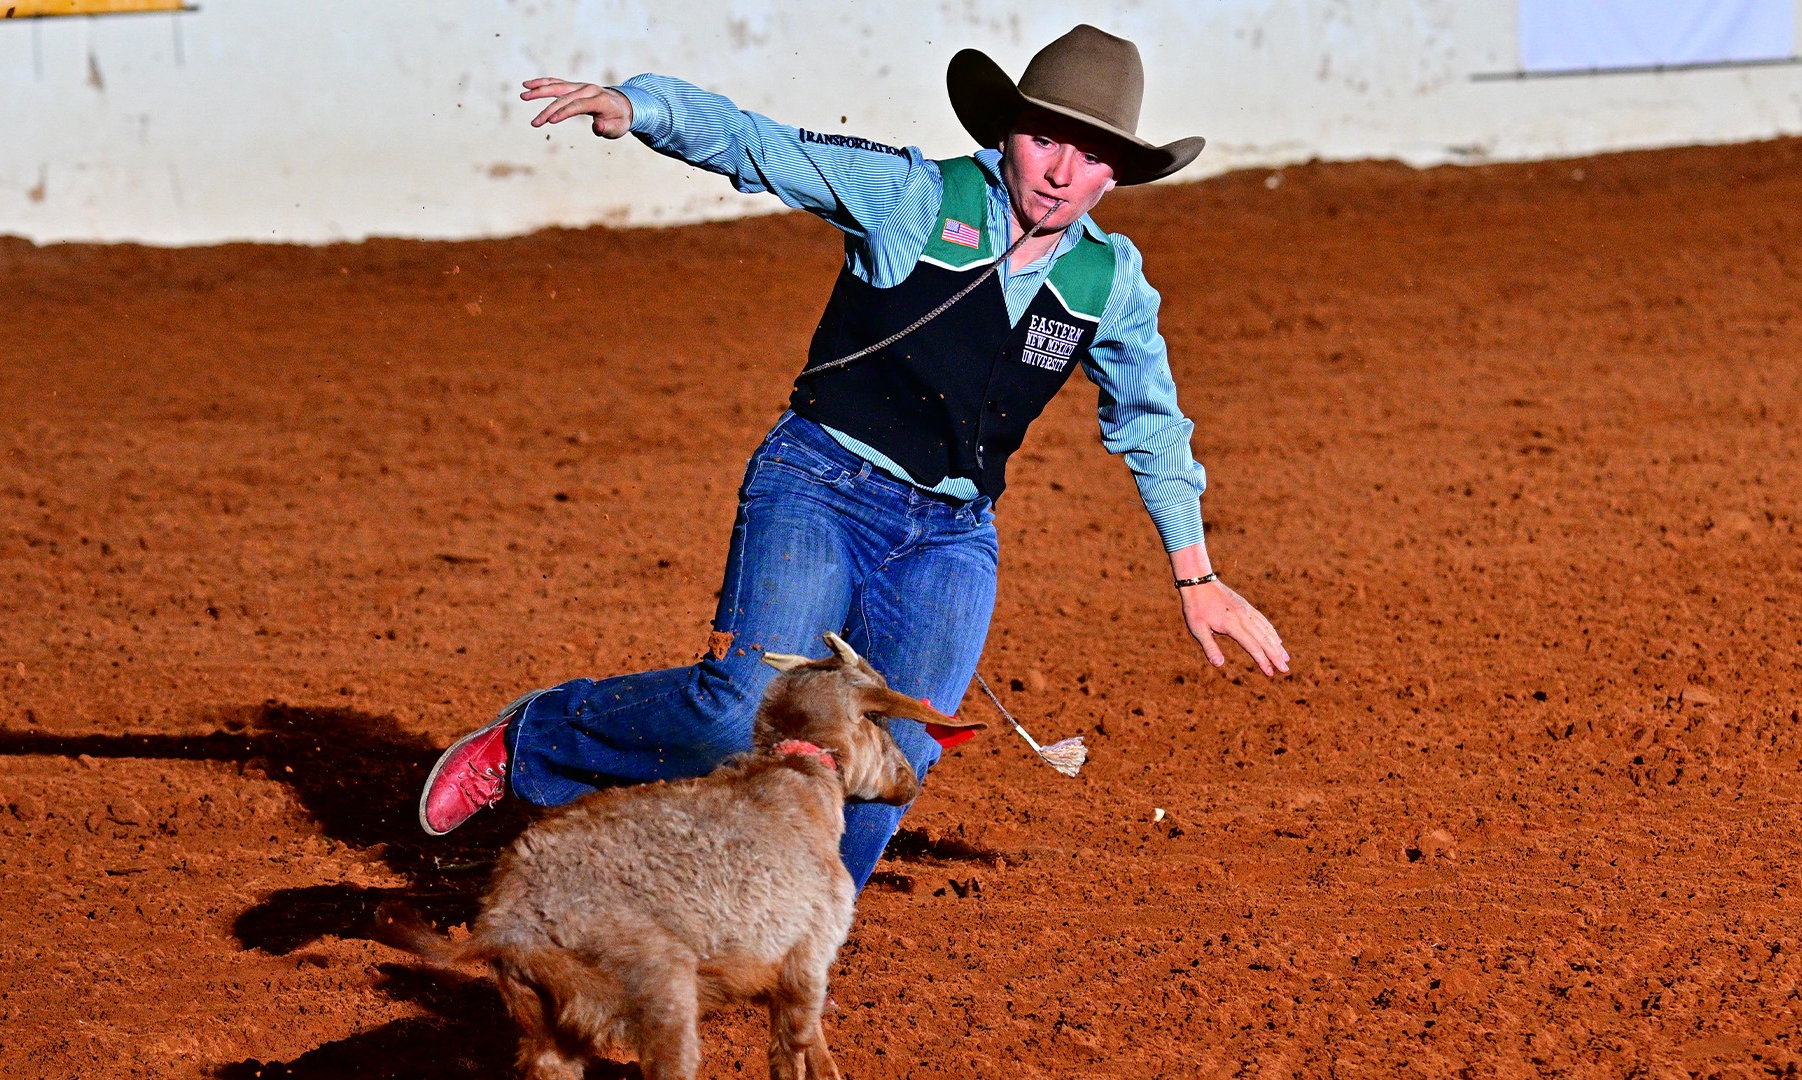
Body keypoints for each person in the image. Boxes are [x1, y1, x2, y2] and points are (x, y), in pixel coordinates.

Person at [418, 25, 1290, 890]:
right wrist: (642, 107)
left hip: (950, 536)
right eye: (1045, 139)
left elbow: (1152, 423)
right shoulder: (914, 196)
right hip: (818, 485)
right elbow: (764, 144)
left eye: (1090, 154)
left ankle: (794, 940)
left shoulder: (1111, 283)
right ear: (1006, 134)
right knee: (738, 713)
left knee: (894, 756)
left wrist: (1196, 573)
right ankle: (538, 737)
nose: (1062, 172)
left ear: (1116, 172)